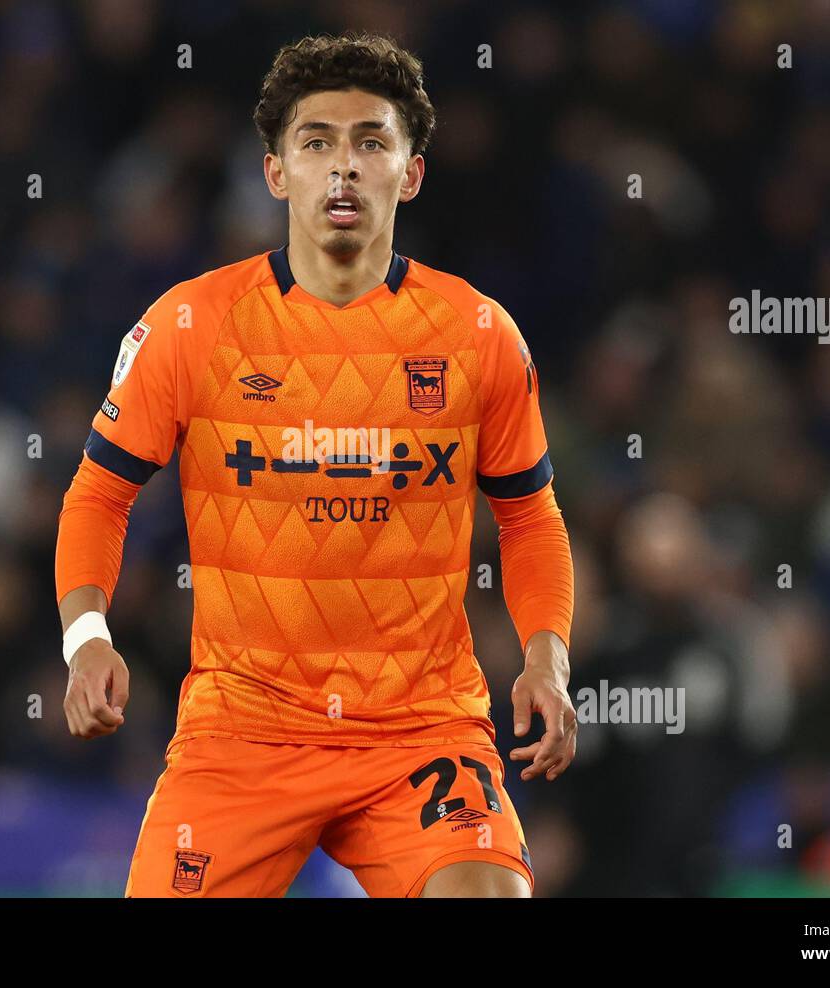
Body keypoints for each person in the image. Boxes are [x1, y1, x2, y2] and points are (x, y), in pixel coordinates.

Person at [55, 31, 576, 897]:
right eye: (317, 143)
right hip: (243, 731)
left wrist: (547, 660)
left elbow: (530, 515)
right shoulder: (191, 325)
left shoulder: (478, 333)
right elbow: (98, 494)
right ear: (275, 173)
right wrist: (86, 640)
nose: (344, 167)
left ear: (409, 174)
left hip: (419, 727)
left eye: (372, 142)